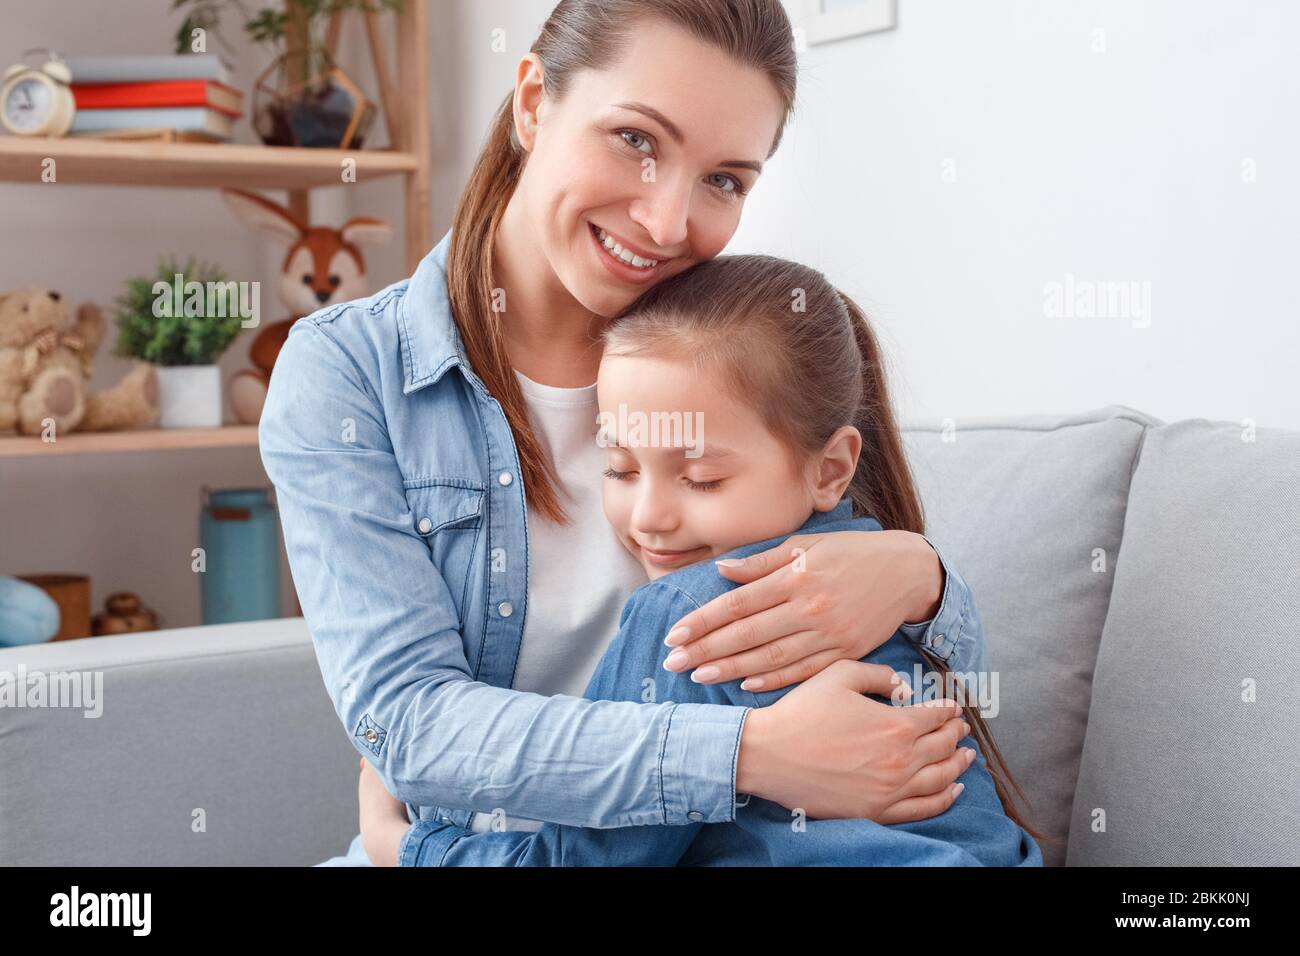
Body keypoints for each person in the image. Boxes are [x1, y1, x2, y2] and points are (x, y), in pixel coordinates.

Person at [259, 0, 989, 866]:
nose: (668, 222)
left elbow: (903, 683)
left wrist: (923, 581)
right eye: (636, 140)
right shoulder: (350, 374)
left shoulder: (744, 352)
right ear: (534, 102)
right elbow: (410, 724)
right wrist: (750, 757)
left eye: (724, 179)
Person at [355, 254, 1039, 866]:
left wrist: (410, 849)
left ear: (830, 468)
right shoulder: (891, 581)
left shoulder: (683, 616)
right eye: (620, 468)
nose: (650, 516)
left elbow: (588, 863)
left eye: (702, 480)